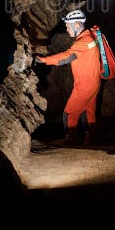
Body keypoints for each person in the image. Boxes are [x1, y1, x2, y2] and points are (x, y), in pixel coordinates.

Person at [35, 10, 100, 146]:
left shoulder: (83, 42)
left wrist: (43, 60)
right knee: (89, 112)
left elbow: (66, 57)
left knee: (69, 113)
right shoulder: (90, 36)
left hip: (84, 86)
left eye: (68, 26)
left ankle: (71, 139)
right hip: (93, 82)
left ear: (77, 25)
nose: (66, 28)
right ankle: (91, 139)